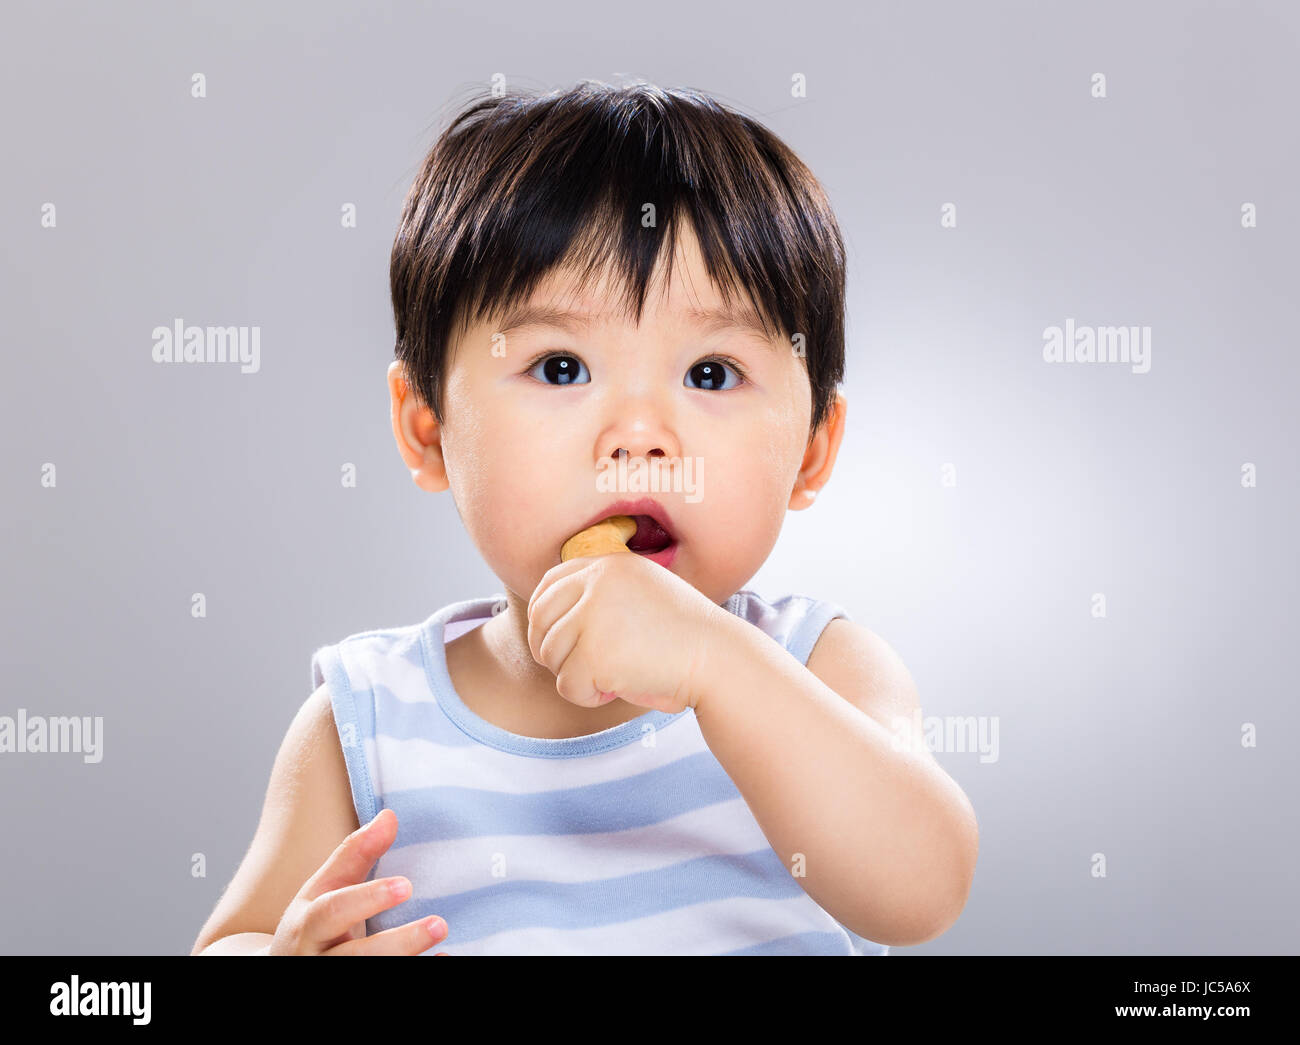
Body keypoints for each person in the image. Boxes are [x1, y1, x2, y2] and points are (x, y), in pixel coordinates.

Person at [191, 79, 978, 956]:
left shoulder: (819, 668)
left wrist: (717, 664)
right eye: (561, 367)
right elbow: (233, 939)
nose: (638, 435)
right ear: (429, 431)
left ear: (812, 450)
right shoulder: (369, 721)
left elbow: (925, 888)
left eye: (711, 374)